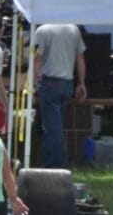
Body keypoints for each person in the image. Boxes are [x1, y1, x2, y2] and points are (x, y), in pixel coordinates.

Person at [31, 24, 87, 170]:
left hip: (50, 82)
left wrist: (31, 84)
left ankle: (56, 165)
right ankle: (50, 161)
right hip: (67, 82)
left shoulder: (43, 30)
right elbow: (80, 58)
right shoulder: (74, 29)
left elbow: (37, 58)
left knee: (52, 128)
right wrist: (81, 83)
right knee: (55, 125)